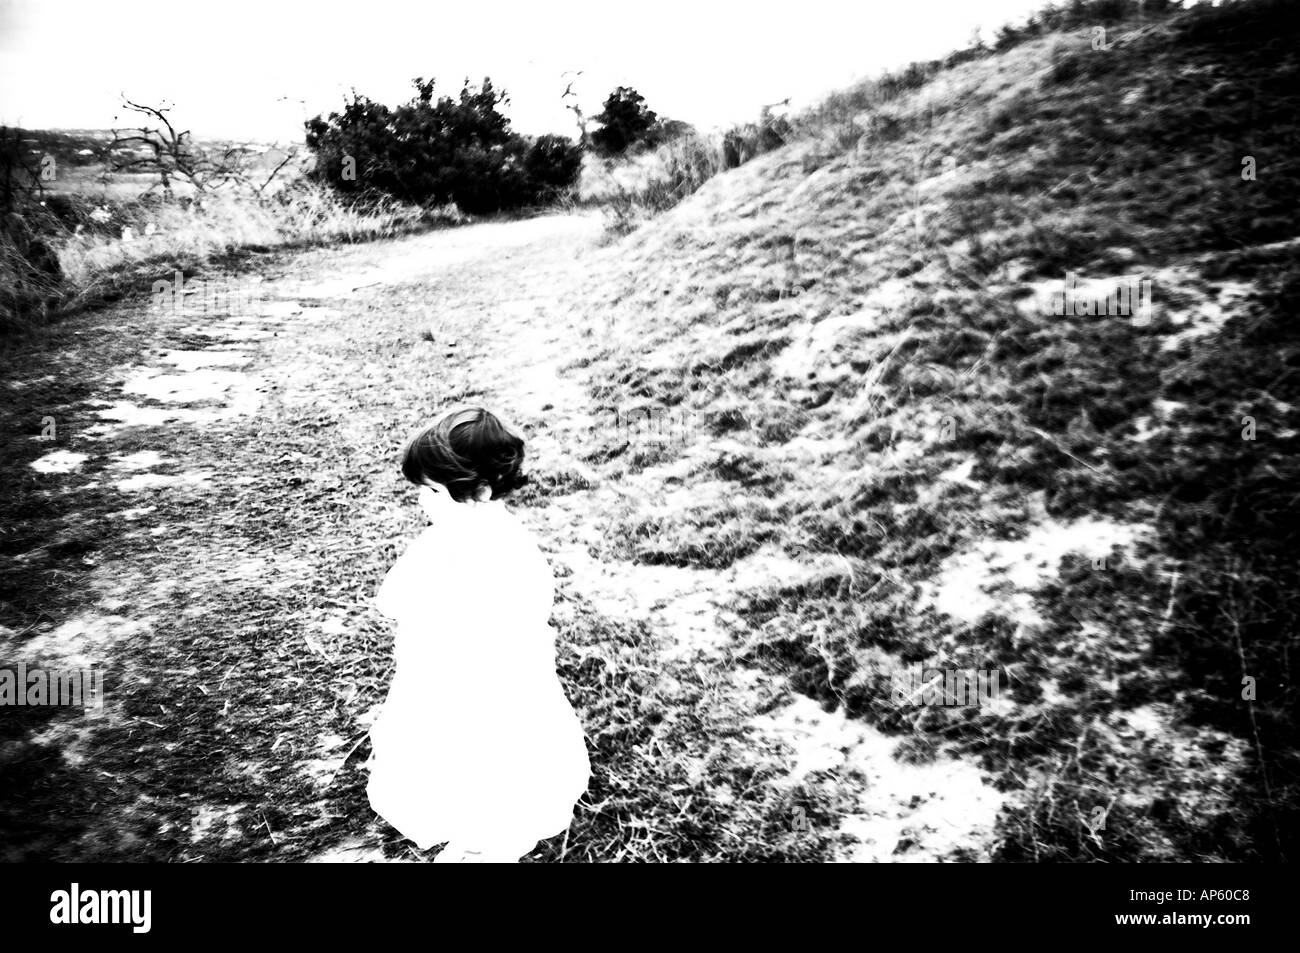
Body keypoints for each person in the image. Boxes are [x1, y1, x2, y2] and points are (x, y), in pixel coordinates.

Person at [366, 407, 591, 862]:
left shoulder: (466, 545)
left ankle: (482, 843)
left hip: (470, 676)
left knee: (473, 752)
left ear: (480, 490)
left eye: (431, 491)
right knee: (476, 755)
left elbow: (401, 600)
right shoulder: (485, 536)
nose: (422, 501)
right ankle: (479, 836)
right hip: (477, 669)